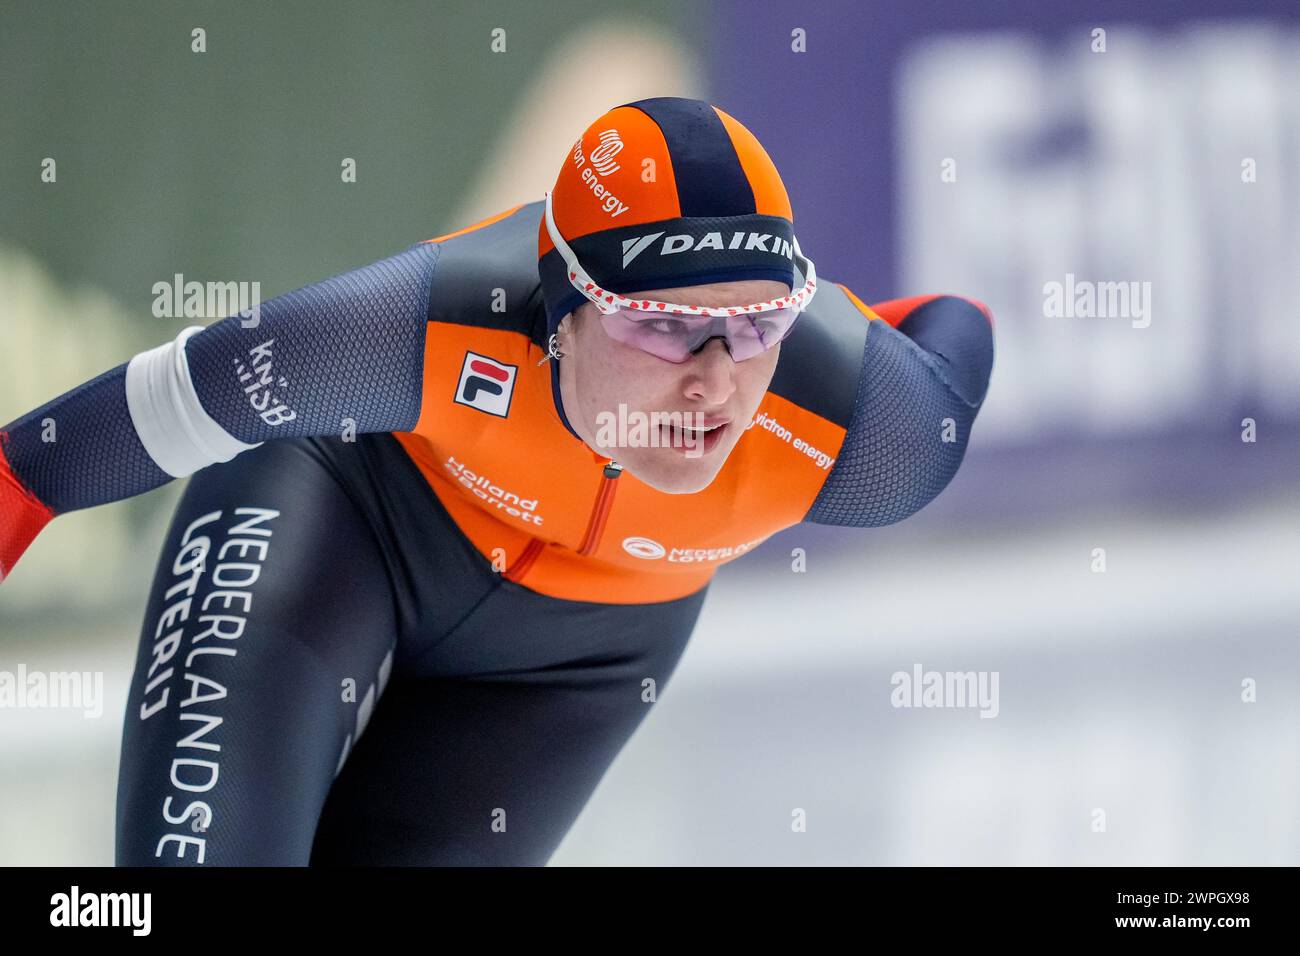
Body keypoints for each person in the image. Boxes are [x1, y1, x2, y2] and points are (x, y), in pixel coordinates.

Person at [0, 96, 995, 865]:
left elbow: (954, 316)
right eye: (659, 322)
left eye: (756, 324)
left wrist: (854, 330)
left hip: (568, 663)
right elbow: (37, 460)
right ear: (557, 306)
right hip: (347, 521)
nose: (715, 379)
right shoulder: (425, 324)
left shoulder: (871, 433)